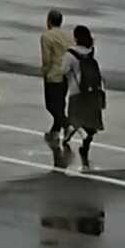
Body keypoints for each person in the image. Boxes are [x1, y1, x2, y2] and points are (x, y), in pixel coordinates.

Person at [61, 25, 105, 157]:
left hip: (76, 90)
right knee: (88, 118)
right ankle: (72, 138)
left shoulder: (70, 53)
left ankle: (83, 135)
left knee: (75, 118)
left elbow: (63, 70)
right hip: (92, 89)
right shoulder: (91, 51)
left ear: (75, 38)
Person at [40, 9, 74, 140]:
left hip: (54, 73)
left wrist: (45, 71)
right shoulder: (67, 37)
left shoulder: (47, 36)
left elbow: (47, 58)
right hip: (66, 73)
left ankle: (67, 126)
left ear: (49, 21)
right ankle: (55, 131)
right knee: (60, 103)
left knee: (51, 105)